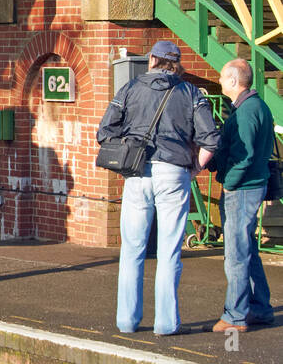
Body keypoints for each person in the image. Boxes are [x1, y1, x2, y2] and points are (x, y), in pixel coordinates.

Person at [97, 40, 219, 335]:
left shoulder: (130, 89)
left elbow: (104, 132)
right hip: (175, 173)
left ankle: (127, 320)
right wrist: (195, 169)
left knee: (133, 250)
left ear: (151, 59)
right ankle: (166, 323)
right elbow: (211, 140)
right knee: (169, 251)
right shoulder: (190, 92)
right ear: (175, 63)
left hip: (137, 173)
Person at [210, 59, 276, 332]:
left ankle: (235, 316)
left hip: (243, 188)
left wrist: (229, 183)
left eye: (224, 78)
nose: (221, 82)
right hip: (253, 185)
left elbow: (244, 154)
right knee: (247, 249)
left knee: (236, 253)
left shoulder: (246, 111)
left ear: (235, 81)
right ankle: (259, 308)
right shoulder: (257, 106)